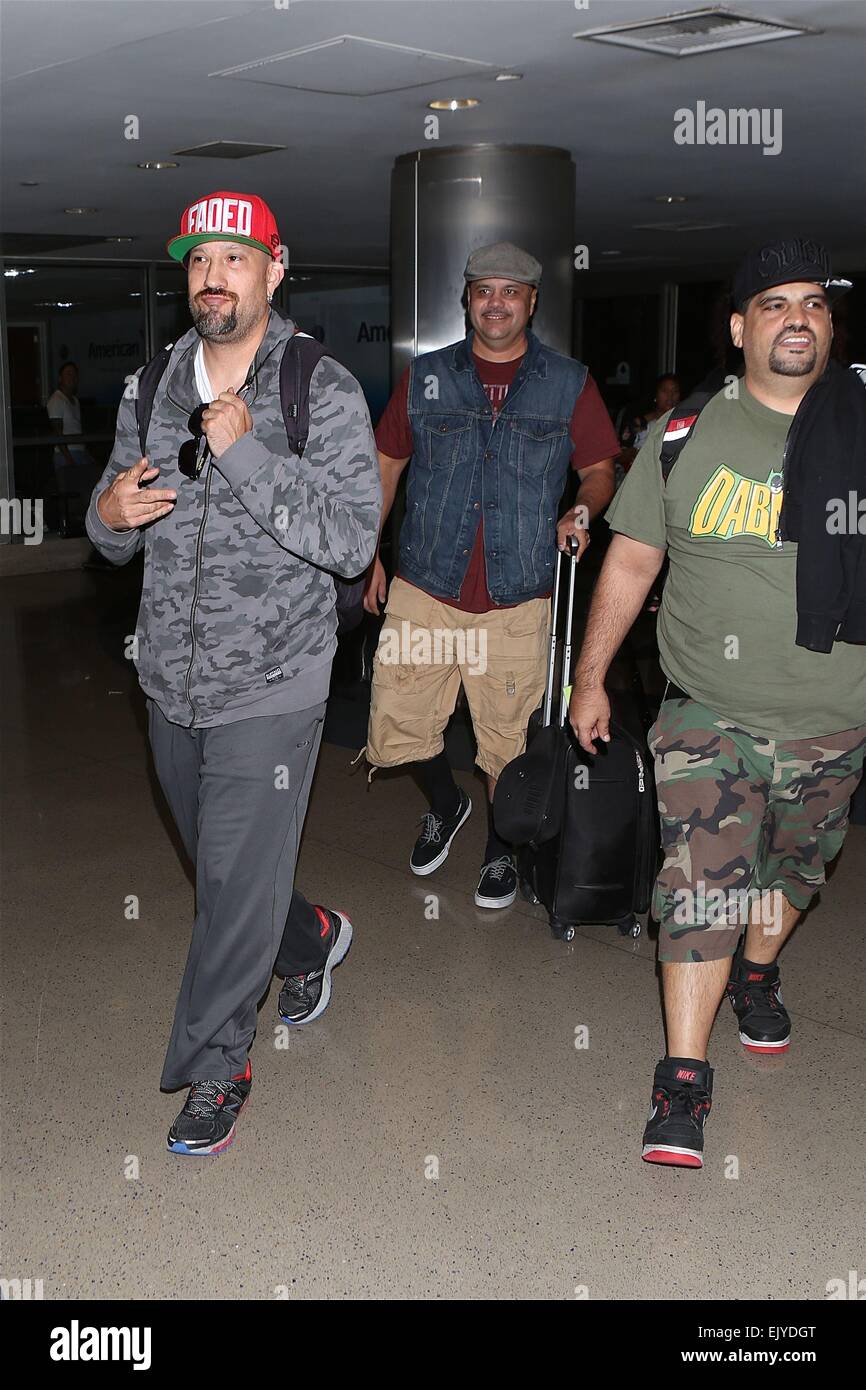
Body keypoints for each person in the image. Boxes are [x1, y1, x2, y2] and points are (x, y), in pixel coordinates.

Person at [86, 190, 381, 1155]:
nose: (213, 277)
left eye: (235, 259)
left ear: (275, 269)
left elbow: (348, 542)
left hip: (276, 683)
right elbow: (112, 513)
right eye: (199, 261)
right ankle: (312, 937)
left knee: (228, 878)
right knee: (231, 878)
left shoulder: (322, 389)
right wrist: (108, 521)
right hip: (169, 679)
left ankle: (217, 1067)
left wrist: (248, 454)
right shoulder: (150, 386)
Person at [568, 237, 866, 1169]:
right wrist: (589, 676)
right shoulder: (687, 434)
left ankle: (762, 972)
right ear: (740, 327)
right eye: (775, 304)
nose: (797, 319)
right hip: (710, 711)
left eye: (814, 304)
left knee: (792, 873)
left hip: (834, 714)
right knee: (701, 886)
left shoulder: (863, 425)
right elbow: (633, 557)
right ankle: (682, 1082)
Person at [363, 241, 617, 908]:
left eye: (510, 291)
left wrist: (583, 511)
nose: (495, 302)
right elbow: (387, 462)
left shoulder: (569, 382)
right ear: (467, 300)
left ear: (532, 301)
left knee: (508, 742)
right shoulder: (426, 377)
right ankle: (446, 804)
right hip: (426, 584)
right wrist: (369, 553)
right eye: (483, 290)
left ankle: (500, 852)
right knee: (395, 728)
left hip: (518, 595)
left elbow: (599, 470)